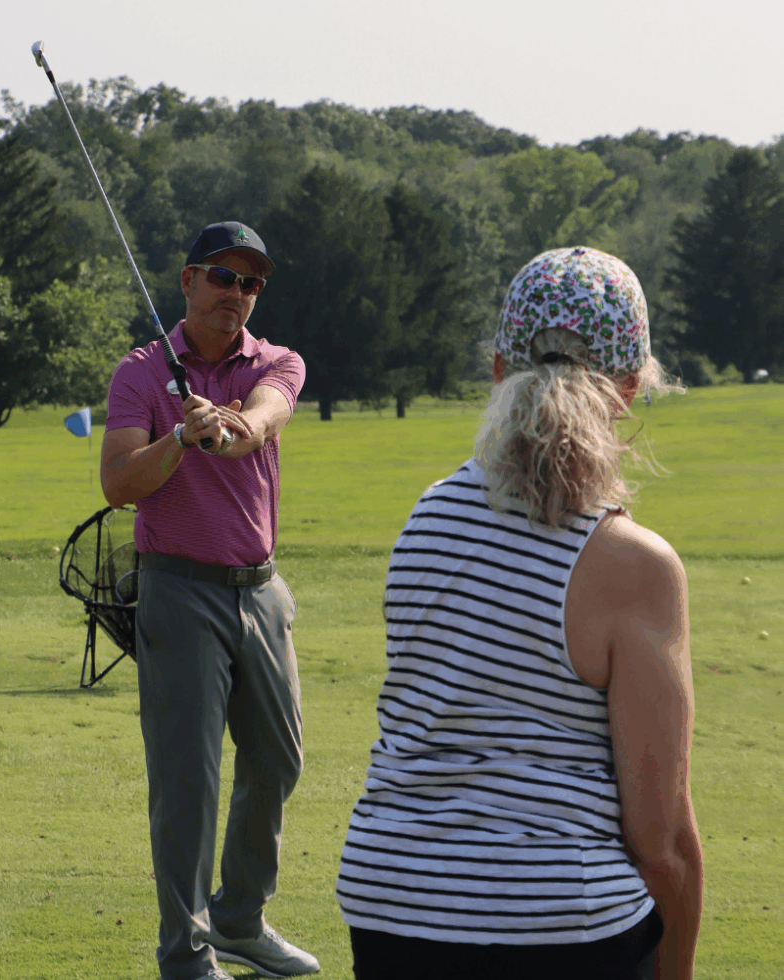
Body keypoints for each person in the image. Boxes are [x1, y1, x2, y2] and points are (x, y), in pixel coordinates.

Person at [337, 247, 704, 980]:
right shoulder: (636, 565)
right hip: (560, 924)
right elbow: (660, 842)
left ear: (500, 368)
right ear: (630, 386)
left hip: (388, 904)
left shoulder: (427, 516)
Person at [100, 221, 320, 980]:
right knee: (187, 779)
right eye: (224, 279)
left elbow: (266, 417)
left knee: (279, 759)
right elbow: (119, 482)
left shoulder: (277, 360)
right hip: (178, 589)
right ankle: (185, 955)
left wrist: (226, 432)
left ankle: (238, 917)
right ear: (188, 281)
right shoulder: (139, 374)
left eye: (251, 283)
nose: (238, 295)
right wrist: (178, 443)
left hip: (261, 591)